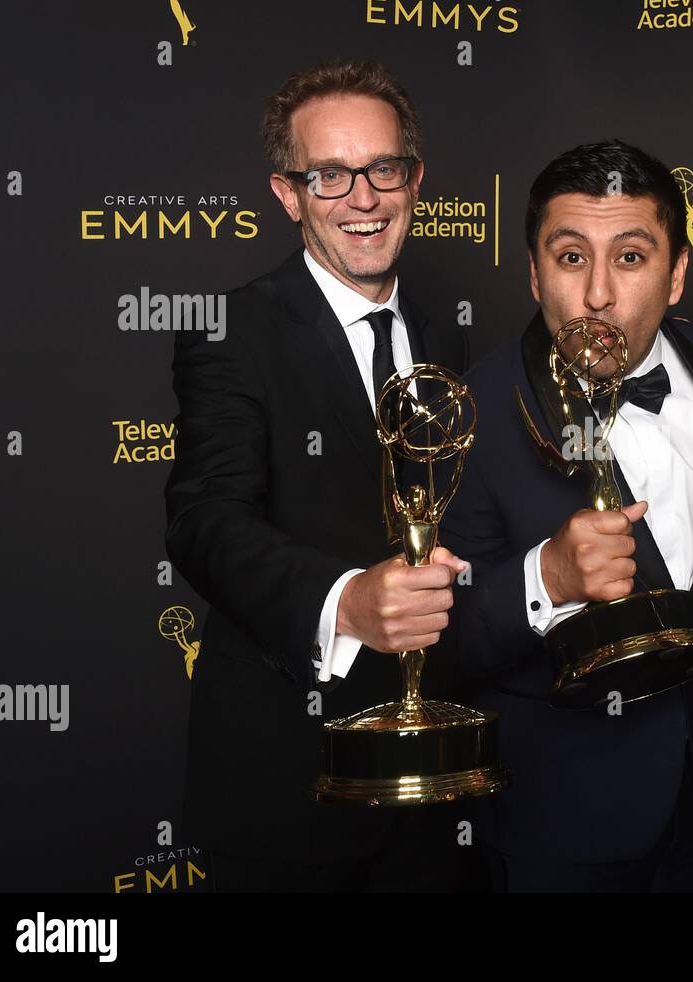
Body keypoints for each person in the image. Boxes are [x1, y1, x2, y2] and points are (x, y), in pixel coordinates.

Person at [164, 59, 478, 891]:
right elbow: (205, 520)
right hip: (291, 788)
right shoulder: (231, 332)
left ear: (414, 179)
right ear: (288, 193)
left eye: (383, 169)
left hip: (444, 784)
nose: (363, 198)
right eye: (330, 175)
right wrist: (347, 601)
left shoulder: (455, 325)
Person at [438, 141, 693, 892]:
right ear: (532, 272)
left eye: (632, 258)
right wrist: (544, 577)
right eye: (572, 258)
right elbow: (436, 647)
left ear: (678, 274)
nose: (599, 296)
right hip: (562, 825)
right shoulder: (469, 412)